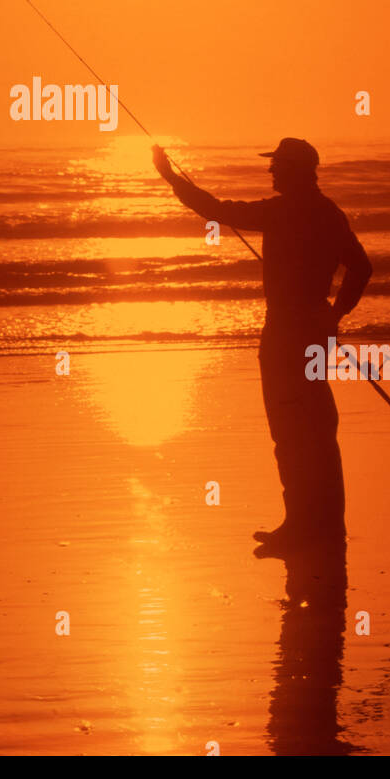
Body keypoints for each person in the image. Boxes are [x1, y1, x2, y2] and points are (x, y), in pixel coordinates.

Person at [152, 137, 372, 552]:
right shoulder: (328, 213)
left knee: (291, 432)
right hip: (314, 330)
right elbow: (362, 267)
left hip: (286, 332)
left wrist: (169, 176)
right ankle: (325, 527)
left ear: (294, 170)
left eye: (276, 166)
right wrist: (334, 313)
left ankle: (301, 529)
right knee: (318, 430)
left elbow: (215, 209)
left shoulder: (282, 211)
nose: (270, 172)